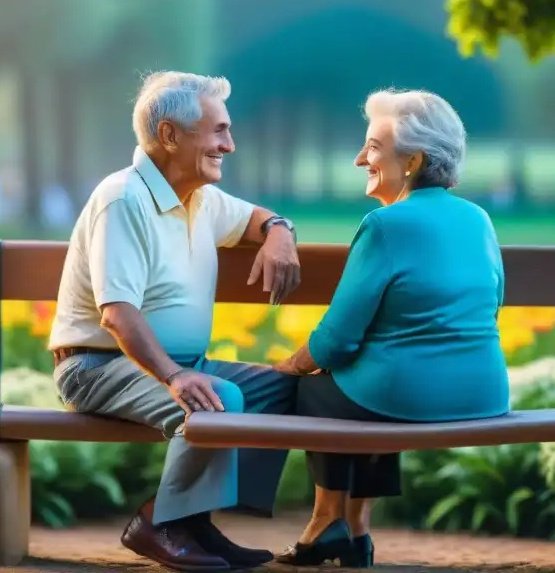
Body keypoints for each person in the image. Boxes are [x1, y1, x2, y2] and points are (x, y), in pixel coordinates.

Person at [49, 72, 302, 572]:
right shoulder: (124, 199)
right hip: (97, 366)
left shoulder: (200, 197)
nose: (229, 145)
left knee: (282, 390)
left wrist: (279, 230)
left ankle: (194, 519)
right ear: (169, 136)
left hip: (178, 363)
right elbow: (116, 313)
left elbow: (258, 218)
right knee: (219, 398)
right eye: (218, 132)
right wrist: (175, 375)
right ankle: (158, 522)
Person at [271, 89, 510, 567]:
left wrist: (291, 365)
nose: (361, 158)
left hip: (408, 395)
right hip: (483, 394)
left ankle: (324, 522)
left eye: (374, 148)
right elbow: (493, 304)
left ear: (414, 160)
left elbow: (335, 340)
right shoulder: (479, 219)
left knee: (318, 391)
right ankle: (355, 529)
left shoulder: (385, 224)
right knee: (376, 390)